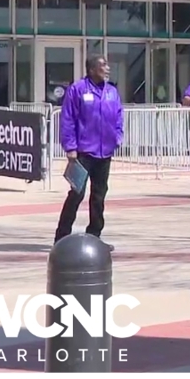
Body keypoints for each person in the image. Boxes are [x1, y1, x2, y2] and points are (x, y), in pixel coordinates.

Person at [55, 55, 124, 250]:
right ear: (92, 69)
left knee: (99, 196)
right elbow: (68, 119)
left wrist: (117, 137)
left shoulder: (112, 91)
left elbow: (119, 116)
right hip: (83, 152)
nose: (107, 68)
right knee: (76, 194)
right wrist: (70, 147)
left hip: (105, 153)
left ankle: (95, 235)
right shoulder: (77, 89)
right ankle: (61, 237)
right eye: (103, 66)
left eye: (107, 65)